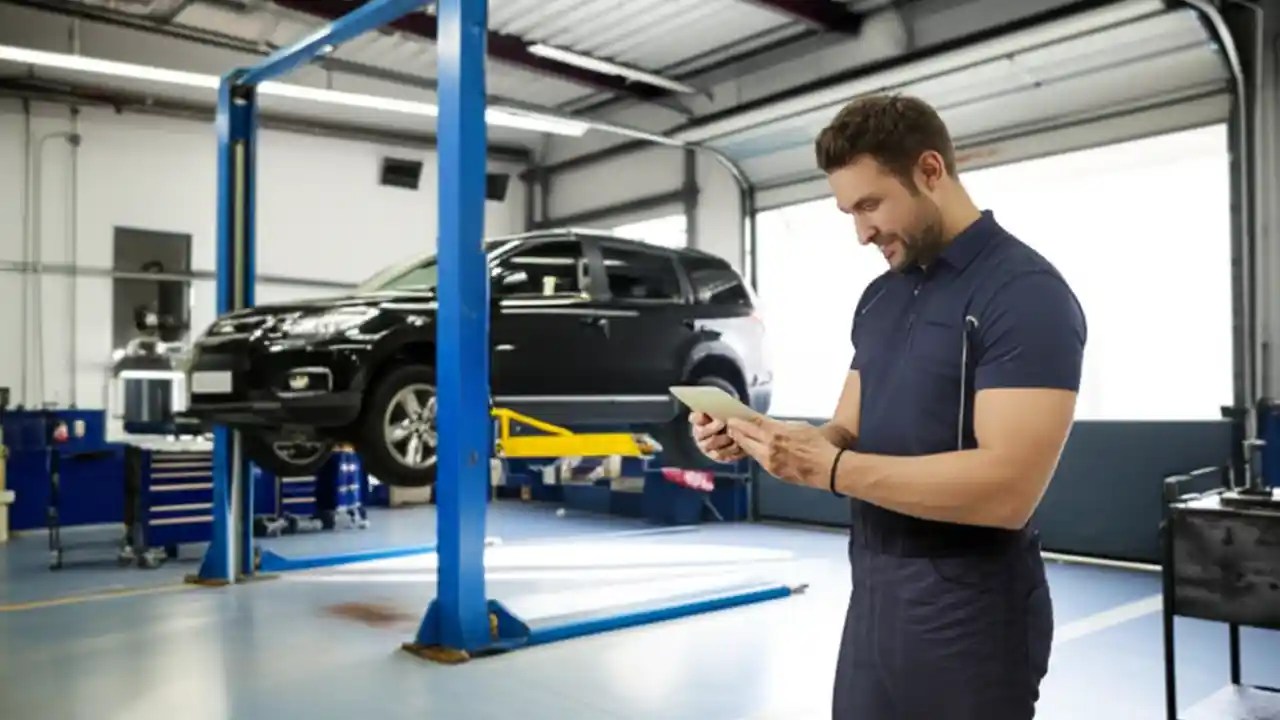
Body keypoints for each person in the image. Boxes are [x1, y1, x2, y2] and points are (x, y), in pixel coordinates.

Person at [690, 93, 1086, 719]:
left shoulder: (1025, 294)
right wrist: (762, 435)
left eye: (870, 204)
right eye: (849, 211)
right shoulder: (880, 296)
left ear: (931, 171)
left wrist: (831, 471)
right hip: (873, 592)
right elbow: (846, 429)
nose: (861, 231)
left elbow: (1009, 490)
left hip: (972, 609)